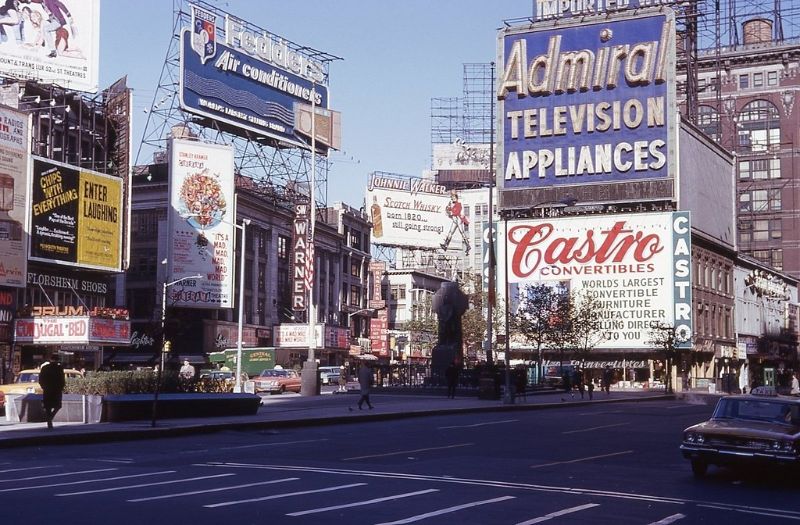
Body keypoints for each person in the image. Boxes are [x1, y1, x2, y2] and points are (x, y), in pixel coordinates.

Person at [38, 352, 65, 430]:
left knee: (48, 406)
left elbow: (41, 379)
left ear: (50, 360)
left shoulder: (45, 368)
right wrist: (61, 387)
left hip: (48, 390)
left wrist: (44, 387)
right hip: (56, 389)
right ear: (57, 360)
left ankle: (49, 420)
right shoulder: (59, 368)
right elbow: (62, 379)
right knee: (57, 405)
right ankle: (50, 419)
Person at [439, 190, 471, 256]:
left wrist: (450, 211)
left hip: (458, 220)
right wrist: (448, 207)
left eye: (453, 198)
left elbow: (456, 212)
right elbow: (448, 210)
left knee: (462, 232)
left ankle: (468, 245)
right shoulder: (453, 205)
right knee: (450, 232)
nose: (452, 199)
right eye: (452, 198)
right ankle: (445, 245)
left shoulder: (458, 204)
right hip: (455, 220)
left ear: (456, 198)